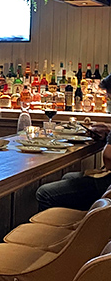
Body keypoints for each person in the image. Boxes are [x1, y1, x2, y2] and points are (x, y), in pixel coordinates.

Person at [36, 75, 111, 211]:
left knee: (44, 193)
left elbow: (109, 157)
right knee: (68, 177)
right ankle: (78, 222)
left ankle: (66, 229)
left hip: (108, 185)